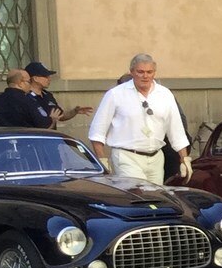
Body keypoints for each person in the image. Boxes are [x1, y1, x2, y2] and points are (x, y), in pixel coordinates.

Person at [88, 54, 189, 185]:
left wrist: (185, 159)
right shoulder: (115, 94)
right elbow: (97, 131)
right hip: (126, 157)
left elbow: (177, 131)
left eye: (149, 72)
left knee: (155, 198)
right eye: (140, 72)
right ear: (132, 72)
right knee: (138, 195)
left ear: (154, 73)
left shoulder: (165, 94)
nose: (145, 76)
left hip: (156, 158)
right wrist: (102, 160)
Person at [26, 61, 87, 128]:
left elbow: (61, 116)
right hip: (36, 136)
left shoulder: (47, 95)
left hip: (51, 135)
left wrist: (75, 111)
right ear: (35, 78)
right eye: (46, 76)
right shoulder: (25, 96)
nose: (49, 79)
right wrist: (51, 120)